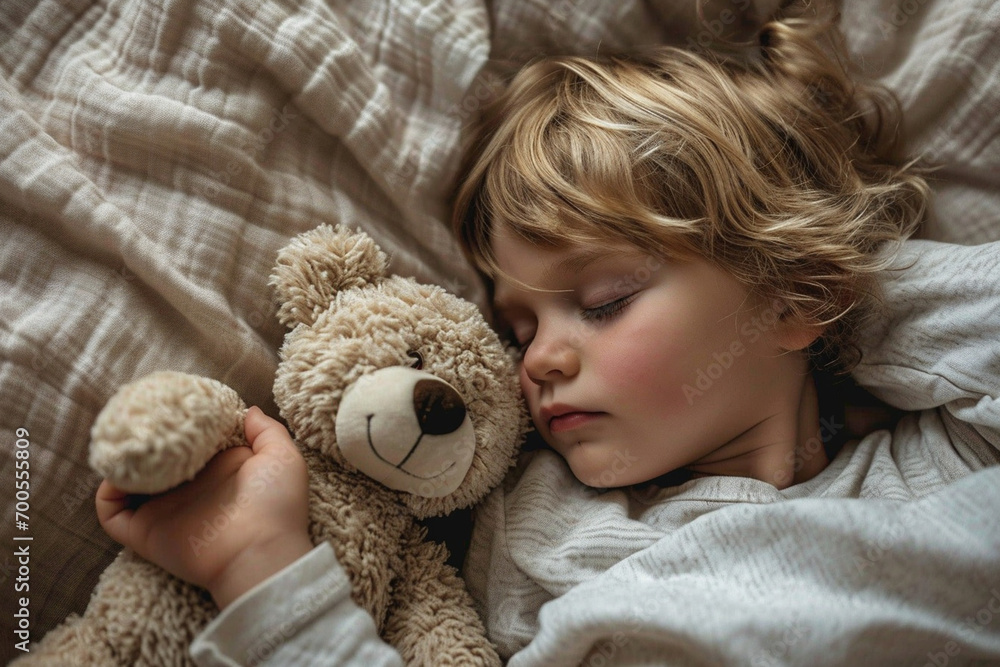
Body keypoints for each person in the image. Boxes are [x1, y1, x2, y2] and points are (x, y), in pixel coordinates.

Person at [96, 2, 1000, 665]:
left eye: (603, 299)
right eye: (515, 324)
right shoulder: (540, 530)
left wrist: (837, 285)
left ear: (794, 294)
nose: (538, 358)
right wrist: (259, 562)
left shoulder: (941, 470)